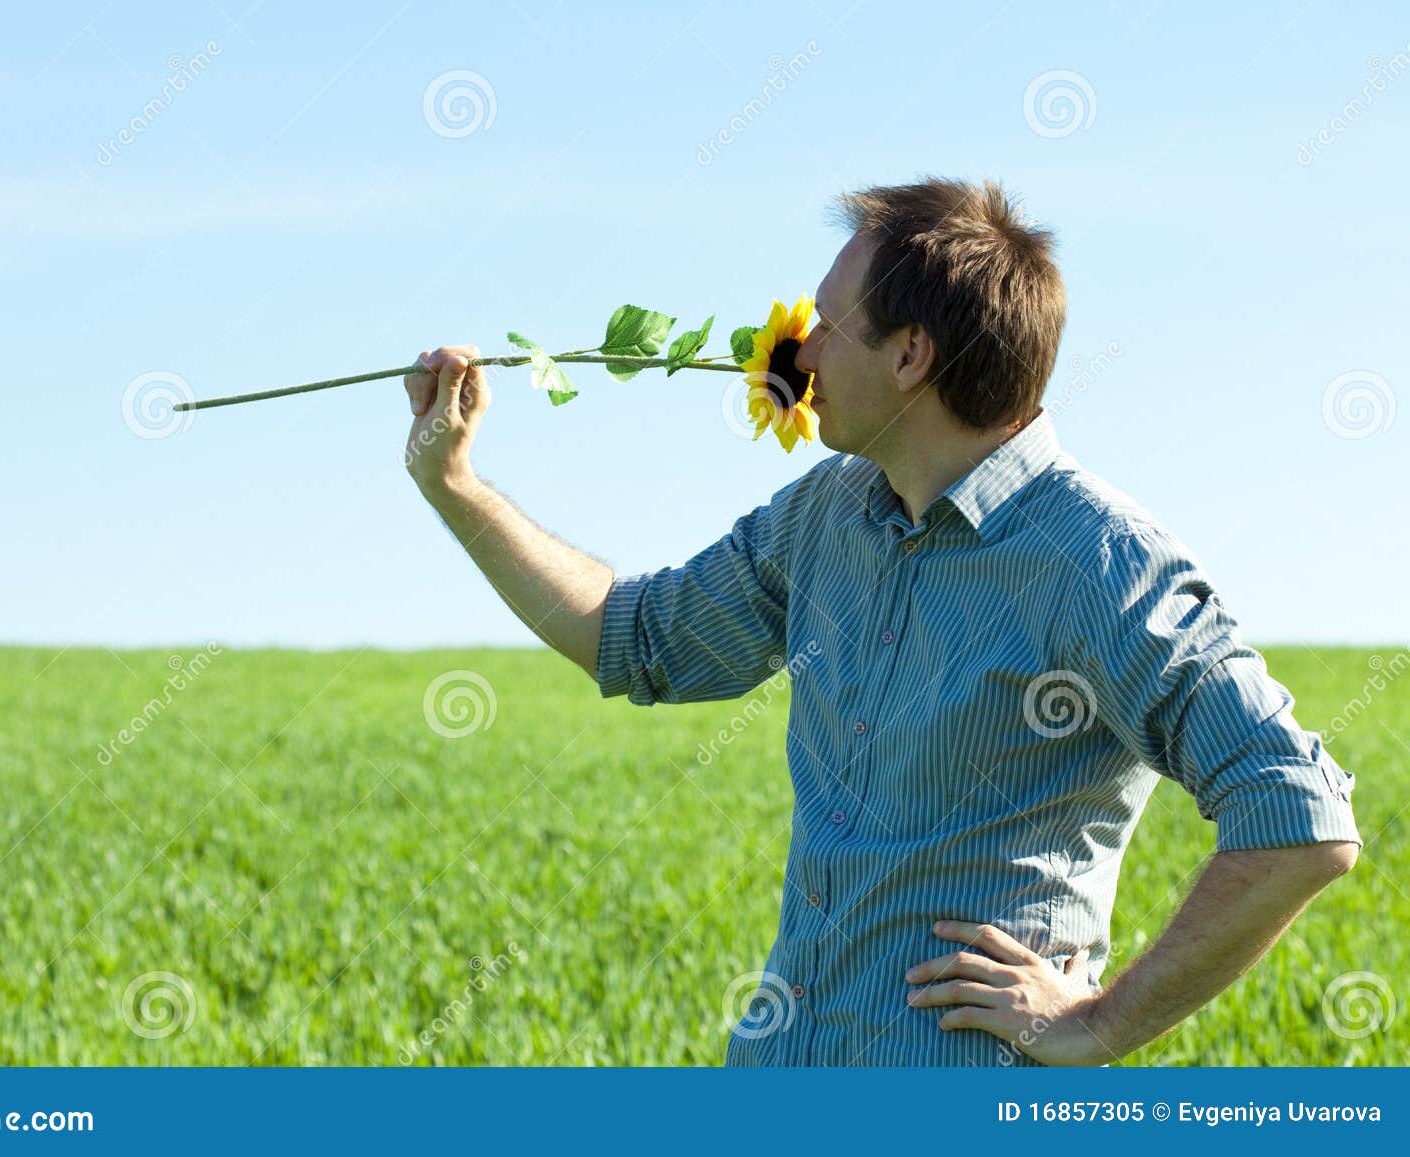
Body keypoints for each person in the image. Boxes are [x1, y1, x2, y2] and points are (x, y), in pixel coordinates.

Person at [400, 176, 1361, 1067]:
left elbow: (1299, 815)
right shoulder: (826, 515)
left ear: (910, 355)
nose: (799, 351)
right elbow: (632, 636)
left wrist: (1097, 1022)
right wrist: (455, 486)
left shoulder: (1095, 559)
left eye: (826, 325)